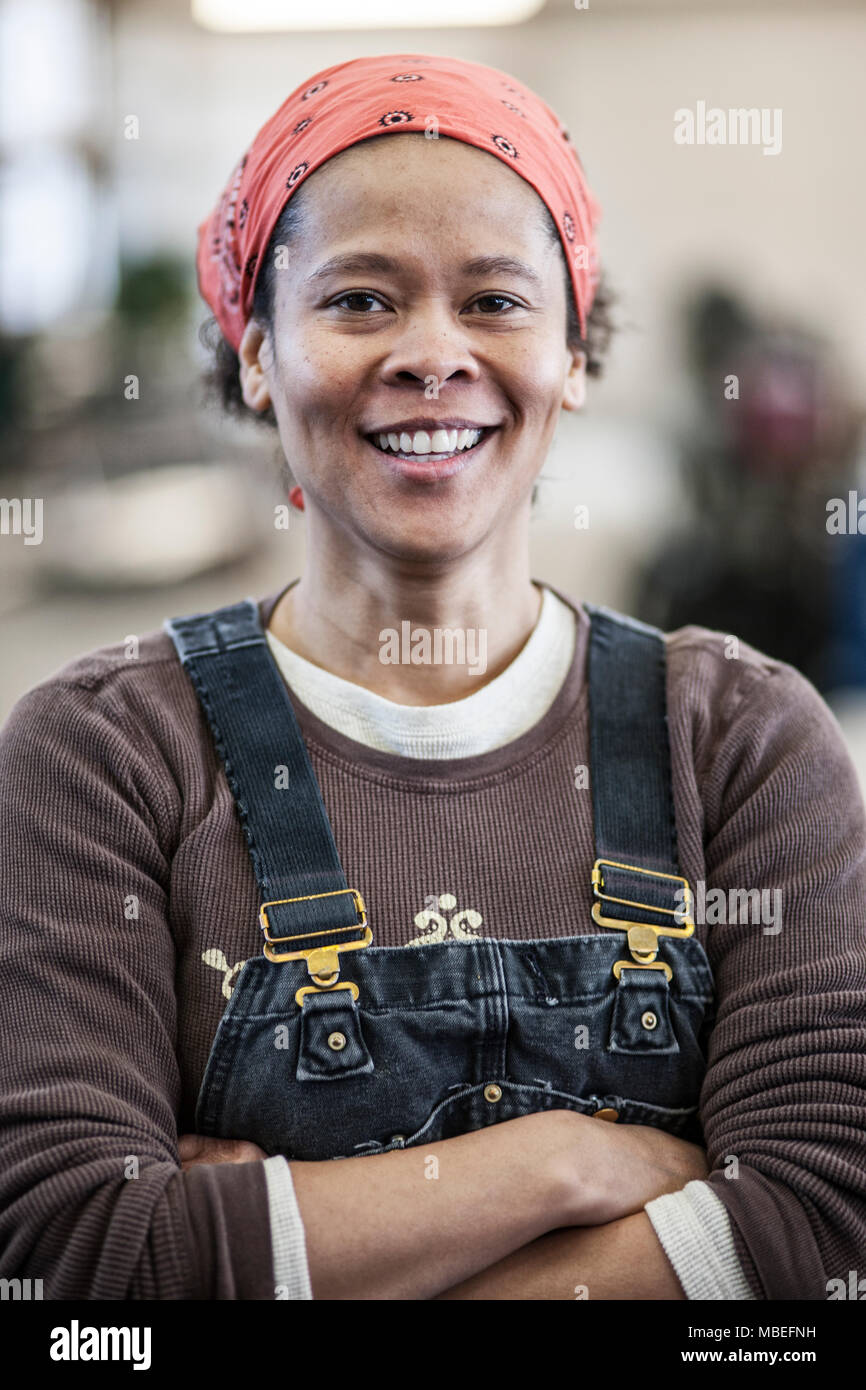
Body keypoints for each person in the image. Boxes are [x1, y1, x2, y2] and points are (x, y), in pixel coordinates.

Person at [1, 52, 864, 1303]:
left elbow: (821, 1234)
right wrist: (564, 1166)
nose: (430, 353)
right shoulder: (103, 756)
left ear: (572, 353)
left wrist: (261, 1243)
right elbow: (72, 1265)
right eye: (357, 300)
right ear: (255, 352)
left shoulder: (739, 741)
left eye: (496, 300)